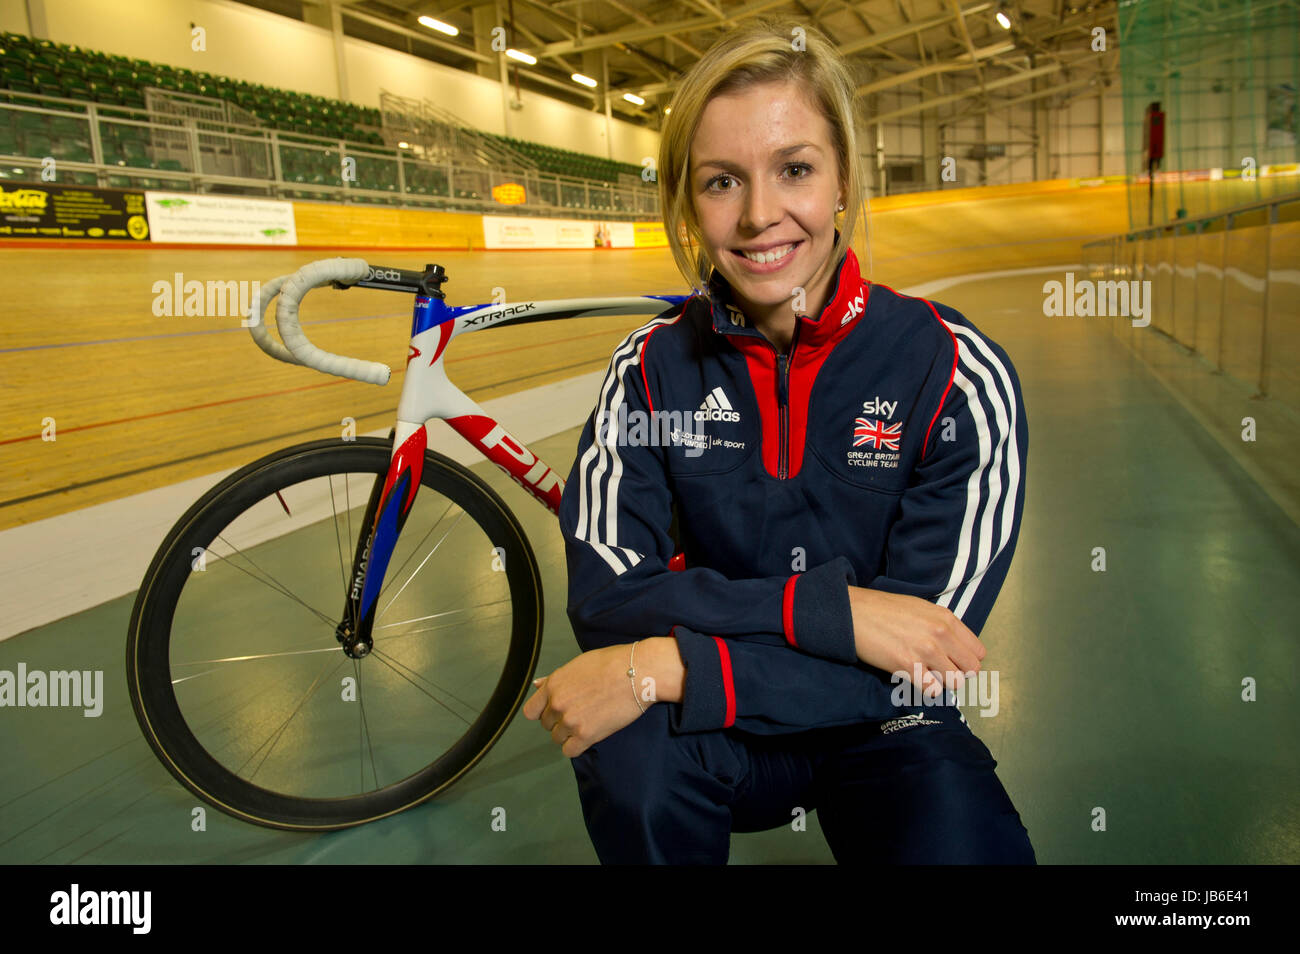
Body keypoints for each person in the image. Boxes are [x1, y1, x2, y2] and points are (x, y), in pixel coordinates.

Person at [522, 16, 1035, 865]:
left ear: (840, 180)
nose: (761, 216)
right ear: (689, 200)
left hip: (885, 719)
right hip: (725, 736)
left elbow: (923, 658)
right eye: (722, 181)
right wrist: (834, 610)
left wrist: (672, 664)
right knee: (633, 763)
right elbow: (609, 598)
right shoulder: (648, 371)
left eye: (793, 169)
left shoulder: (953, 369)